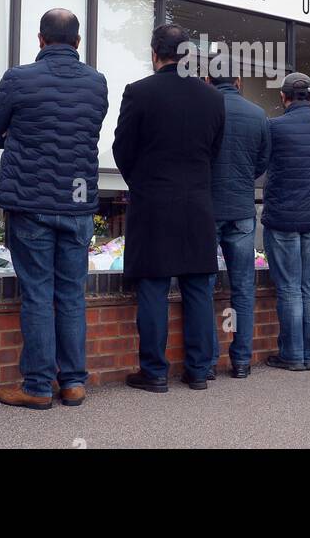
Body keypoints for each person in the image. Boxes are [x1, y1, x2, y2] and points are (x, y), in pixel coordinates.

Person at [0, 9, 108, 410]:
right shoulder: (96, 83)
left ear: (40, 40)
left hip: (31, 203)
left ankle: (38, 386)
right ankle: (73, 382)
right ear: (77, 42)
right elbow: (86, 130)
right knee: (72, 294)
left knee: (38, 294)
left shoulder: (18, 79)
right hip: (77, 203)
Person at [112, 25, 225, 393]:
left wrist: (142, 180)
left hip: (153, 203)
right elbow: (214, 151)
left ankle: (155, 371)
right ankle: (198, 370)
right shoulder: (212, 98)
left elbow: (122, 149)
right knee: (197, 288)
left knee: (153, 287)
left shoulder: (139, 92)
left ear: (155, 53)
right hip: (197, 203)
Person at [261, 72, 310, 371]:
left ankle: (292, 355)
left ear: (284, 97)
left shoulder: (274, 127)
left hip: (282, 218)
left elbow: (261, 163)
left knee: (290, 288)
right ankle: (309, 354)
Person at [205, 48, 271, 377]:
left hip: (208, 208)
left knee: (202, 283)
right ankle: (241, 361)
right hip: (243, 209)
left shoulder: (200, 110)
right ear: (239, 81)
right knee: (243, 286)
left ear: (207, 80)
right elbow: (262, 162)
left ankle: (204, 362)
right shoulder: (258, 115)